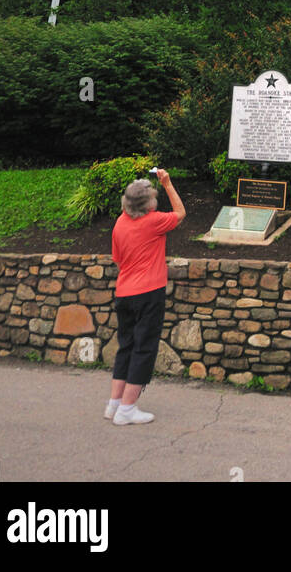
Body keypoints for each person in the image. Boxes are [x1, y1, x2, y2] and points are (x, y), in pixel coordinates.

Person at [104, 169, 186, 425]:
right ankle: (127, 410)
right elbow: (181, 213)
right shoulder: (153, 221)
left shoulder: (120, 223)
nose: (155, 200)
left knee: (126, 346)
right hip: (149, 293)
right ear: (147, 203)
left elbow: (118, 260)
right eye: (153, 196)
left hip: (124, 293)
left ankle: (114, 404)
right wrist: (167, 183)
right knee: (144, 348)